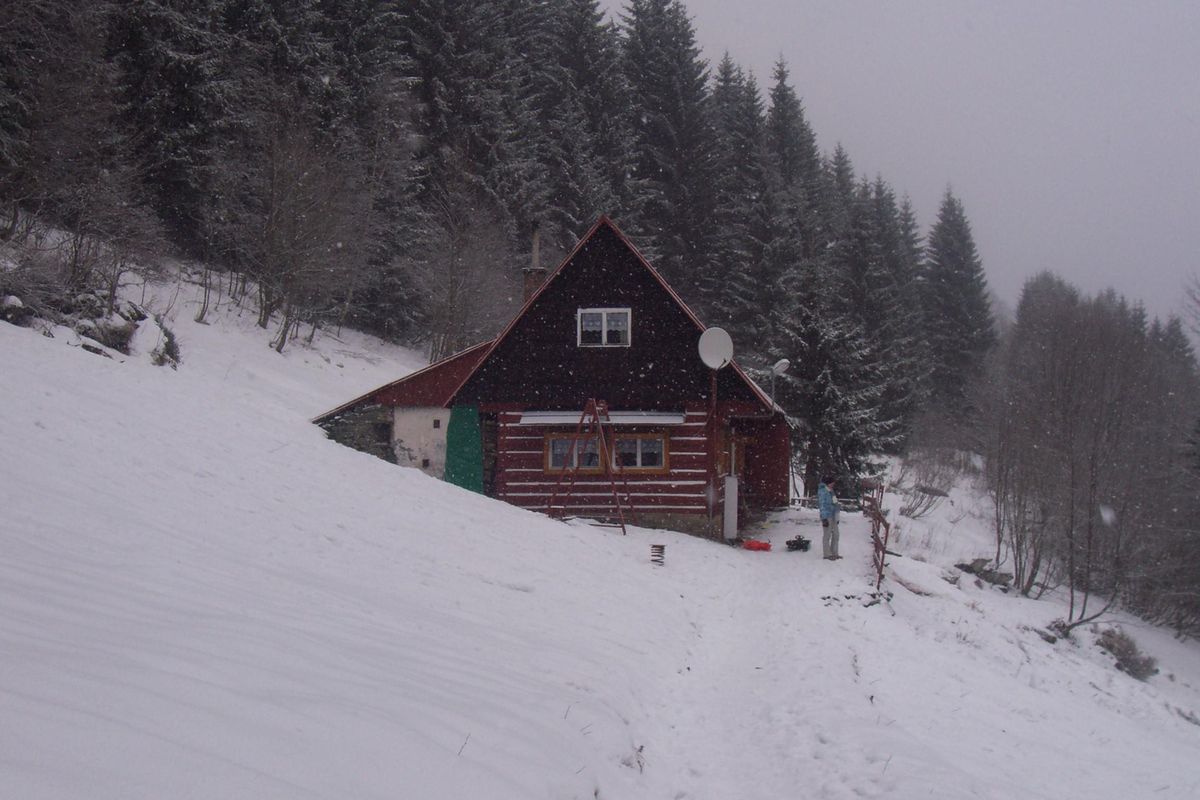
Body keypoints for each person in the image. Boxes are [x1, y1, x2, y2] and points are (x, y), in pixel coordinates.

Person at [817, 476, 841, 560]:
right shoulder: (822, 492)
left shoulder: (832, 491)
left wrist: (837, 515)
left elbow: (835, 503)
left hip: (834, 515)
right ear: (828, 483)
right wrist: (824, 518)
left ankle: (834, 553)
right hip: (827, 516)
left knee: (836, 534)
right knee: (827, 535)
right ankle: (827, 554)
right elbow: (822, 505)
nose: (833, 484)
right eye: (832, 483)